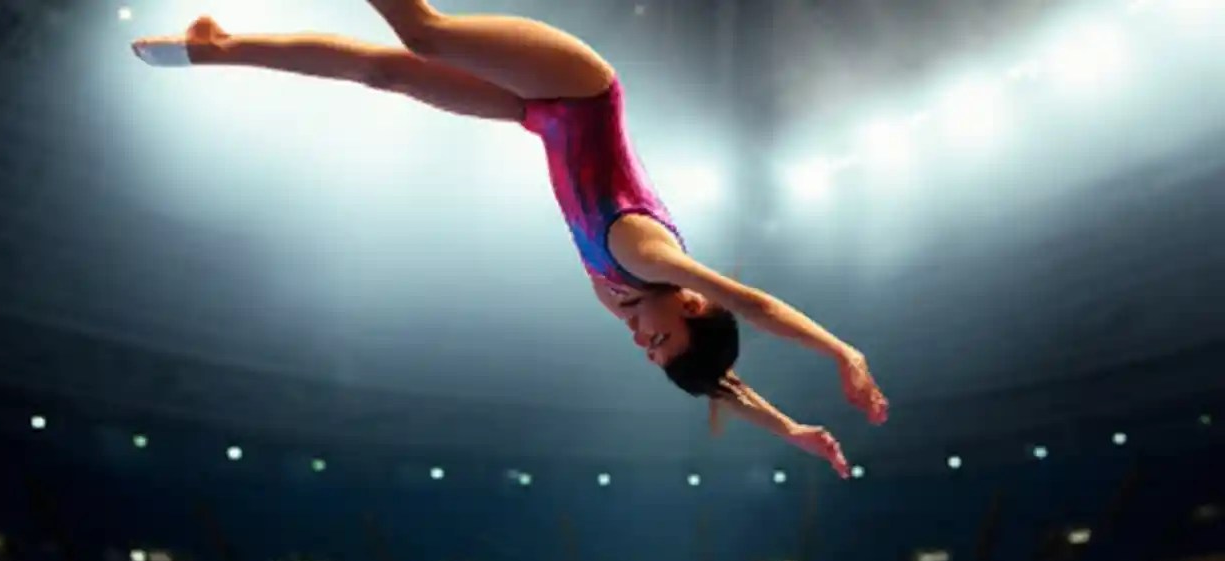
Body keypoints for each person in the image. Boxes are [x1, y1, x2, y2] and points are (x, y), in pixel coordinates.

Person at [132, 1, 889, 477]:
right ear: (689, 308)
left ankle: (218, 46)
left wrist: (788, 427)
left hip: (535, 115)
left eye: (650, 355)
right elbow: (751, 304)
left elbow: (719, 383)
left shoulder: (631, 302)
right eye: (658, 343)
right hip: (577, 87)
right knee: (422, 30)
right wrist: (842, 354)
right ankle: (219, 45)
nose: (642, 344)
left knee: (385, 75)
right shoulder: (646, 260)